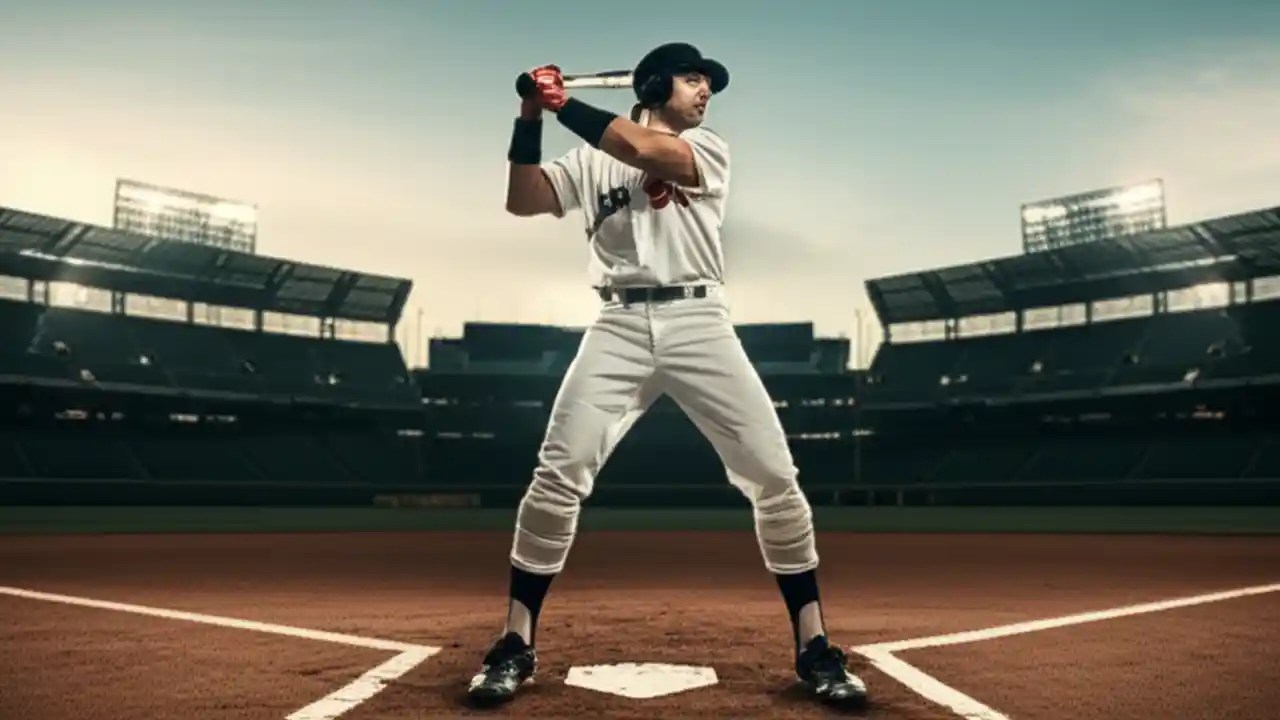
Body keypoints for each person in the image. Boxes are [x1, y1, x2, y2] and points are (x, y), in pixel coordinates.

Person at [466, 42, 867, 709]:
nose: (706, 90)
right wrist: (529, 116)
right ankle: (514, 643)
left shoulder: (707, 149)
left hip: (699, 323)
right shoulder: (591, 156)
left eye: (708, 82)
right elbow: (522, 198)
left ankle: (815, 647)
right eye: (692, 79)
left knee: (774, 476)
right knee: (557, 473)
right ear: (654, 82)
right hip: (616, 325)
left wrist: (562, 103)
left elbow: (651, 155)